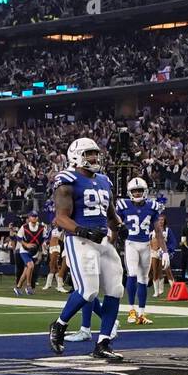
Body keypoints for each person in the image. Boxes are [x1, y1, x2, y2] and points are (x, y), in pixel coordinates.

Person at [46, 137, 126, 362]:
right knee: (88, 290)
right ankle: (59, 325)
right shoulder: (67, 180)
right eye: (89, 153)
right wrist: (82, 230)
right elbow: (60, 218)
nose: (94, 158)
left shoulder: (104, 181)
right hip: (79, 240)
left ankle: (103, 343)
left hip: (102, 240)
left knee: (115, 289)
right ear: (76, 156)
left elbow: (110, 215)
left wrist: (120, 227)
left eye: (95, 154)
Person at [116, 177, 164, 324]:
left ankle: (141, 314)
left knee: (143, 279)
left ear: (145, 191)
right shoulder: (123, 205)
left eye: (139, 191)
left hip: (145, 245)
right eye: (134, 191)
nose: (137, 193)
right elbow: (114, 223)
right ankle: (131, 311)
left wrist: (165, 250)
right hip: (131, 244)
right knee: (132, 274)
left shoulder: (153, 206)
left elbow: (158, 231)